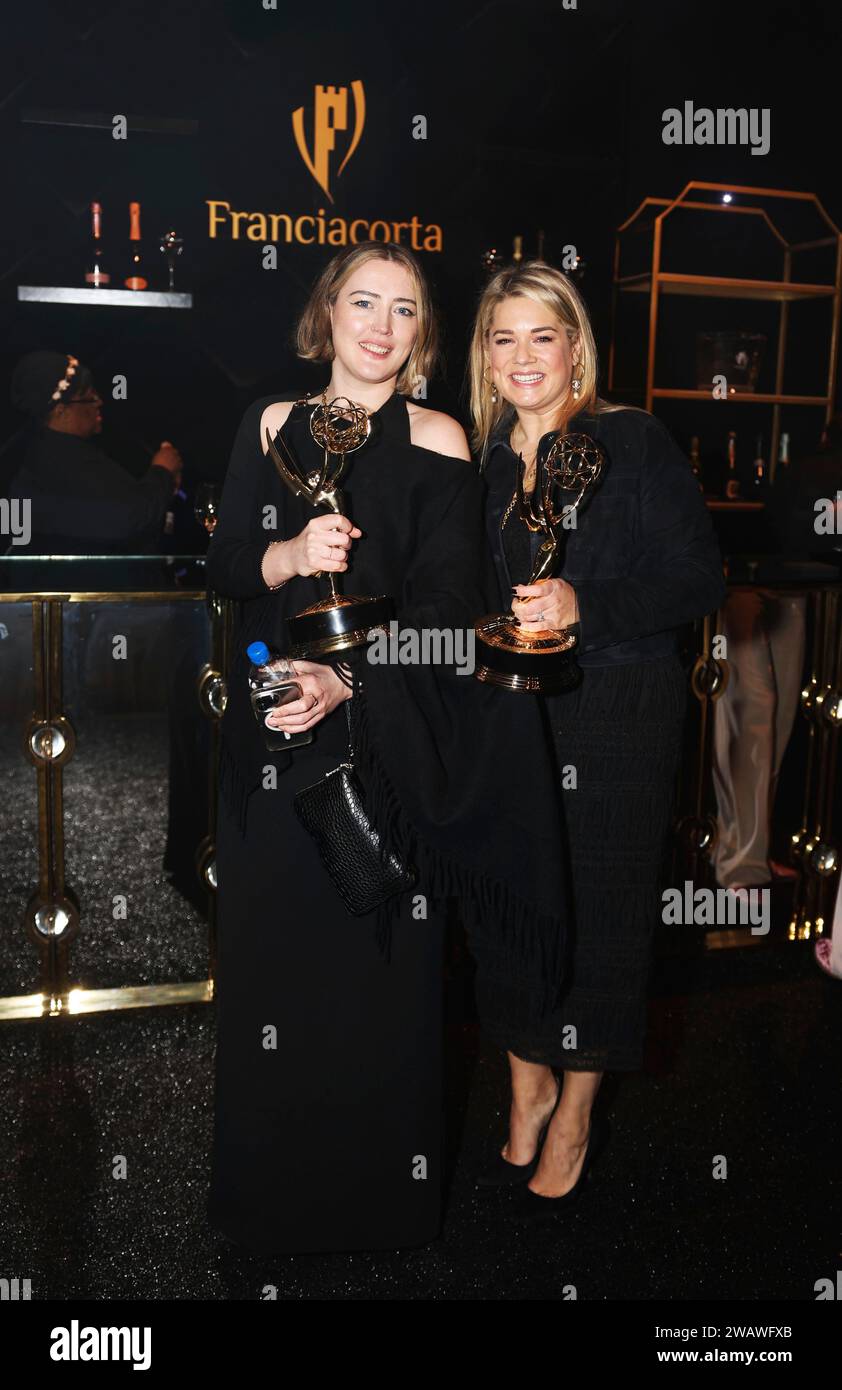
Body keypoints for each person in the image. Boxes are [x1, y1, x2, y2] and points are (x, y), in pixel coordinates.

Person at [205, 242, 569, 1255]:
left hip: (390, 739)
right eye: (361, 302)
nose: (379, 324)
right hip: (276, 731)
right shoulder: (271, 424)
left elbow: (452, 608)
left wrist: (348, 679)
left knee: (379, 983)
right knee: (278, 976)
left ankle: (377, 1211)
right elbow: (230, 562)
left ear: (421, 336)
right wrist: (286, 556)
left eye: (402, 311)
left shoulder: (442, 437)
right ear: (326, 316)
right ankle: (267, 1209)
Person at [467, 260, 726, 1214]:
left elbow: (697, 578)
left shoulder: (633, 441)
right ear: (485, 359)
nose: (524, 355)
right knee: (511, 901)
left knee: (604, 911)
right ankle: (526, 1073)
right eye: (505, 337)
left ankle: (577, 1108)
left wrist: (588, 604)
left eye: (544, 334)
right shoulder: (487, 458)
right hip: (511, 710)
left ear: (576, 347)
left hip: (619, 707)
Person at [5, 351, 182, 555]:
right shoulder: (60, 465)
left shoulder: (51, 458)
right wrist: (163, 472)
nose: (99, 401)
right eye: (88, 397)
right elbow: (128, 518)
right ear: (60, 411)